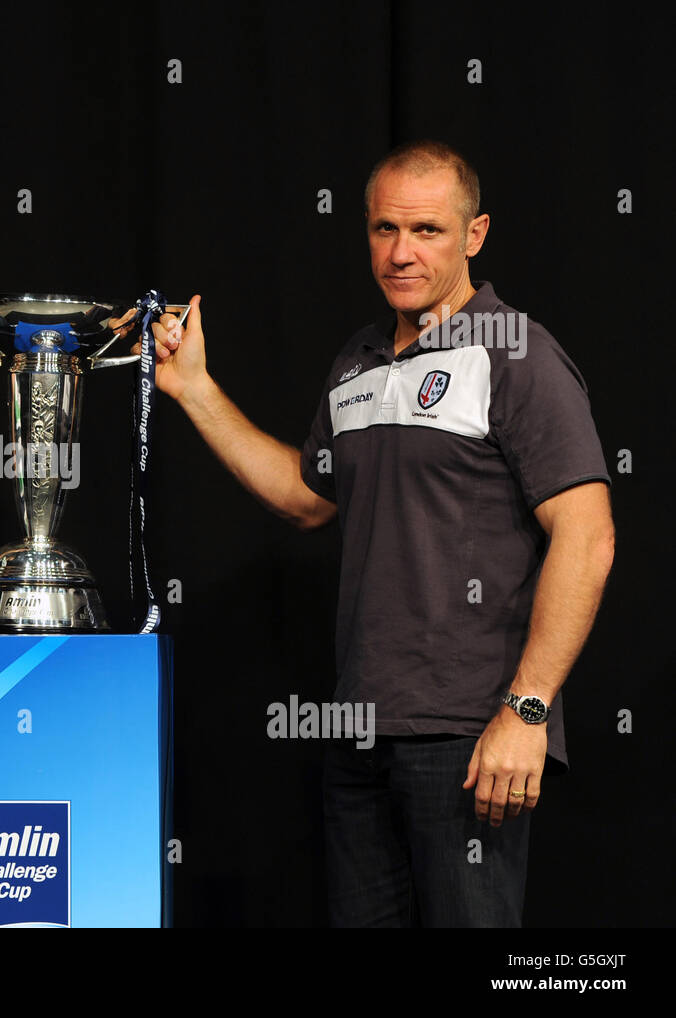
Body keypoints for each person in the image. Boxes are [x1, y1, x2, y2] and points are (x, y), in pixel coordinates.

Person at [141, 140, 614, 926]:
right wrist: (193, 390)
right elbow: (305, 496)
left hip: (469, 736)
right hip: (358, 730)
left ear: (475, 234)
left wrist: (526, 712)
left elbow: (588, 538)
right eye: (385, 229)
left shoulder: (518, 356)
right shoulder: (356, 362)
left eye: (427, 230)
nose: (401, 253)